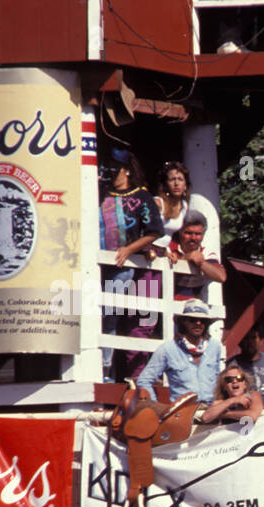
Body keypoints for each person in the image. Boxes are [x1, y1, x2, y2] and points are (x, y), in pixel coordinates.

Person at [99, 147, 163, 380]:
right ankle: (102, 370)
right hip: (96, 263)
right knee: (91, 313)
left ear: (126, 170)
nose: (110, 172)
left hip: (121, 266)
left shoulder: (141, 196)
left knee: (111, 314)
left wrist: (129, 249)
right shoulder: (100, 193)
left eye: (115, 168)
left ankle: (106, 372)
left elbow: (155, 231)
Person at [136, 298, 223, 400]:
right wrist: (154, 405)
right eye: (192, 320)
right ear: (183, 322)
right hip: (184, 410)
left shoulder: (215, 346)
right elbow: (144, 380)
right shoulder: (168, 349)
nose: (198, 323)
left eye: (203, 320)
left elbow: (218, 381)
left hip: (211, 408)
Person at [167, 209, 226, 302]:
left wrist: (200, 262)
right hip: (167, 305)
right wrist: (186, 258)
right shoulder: (168, 247)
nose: (193, 238)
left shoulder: (206, 252)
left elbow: (221, 276)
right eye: (188, 233)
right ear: (179, 232)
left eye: (198, 234)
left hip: (194, 309)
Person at [226, 324, 264, 410]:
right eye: (246, 338)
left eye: (253, 337)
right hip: (244, 415)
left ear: (260, 340)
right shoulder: (232, 365)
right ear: (240, 341)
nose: (249, 342)